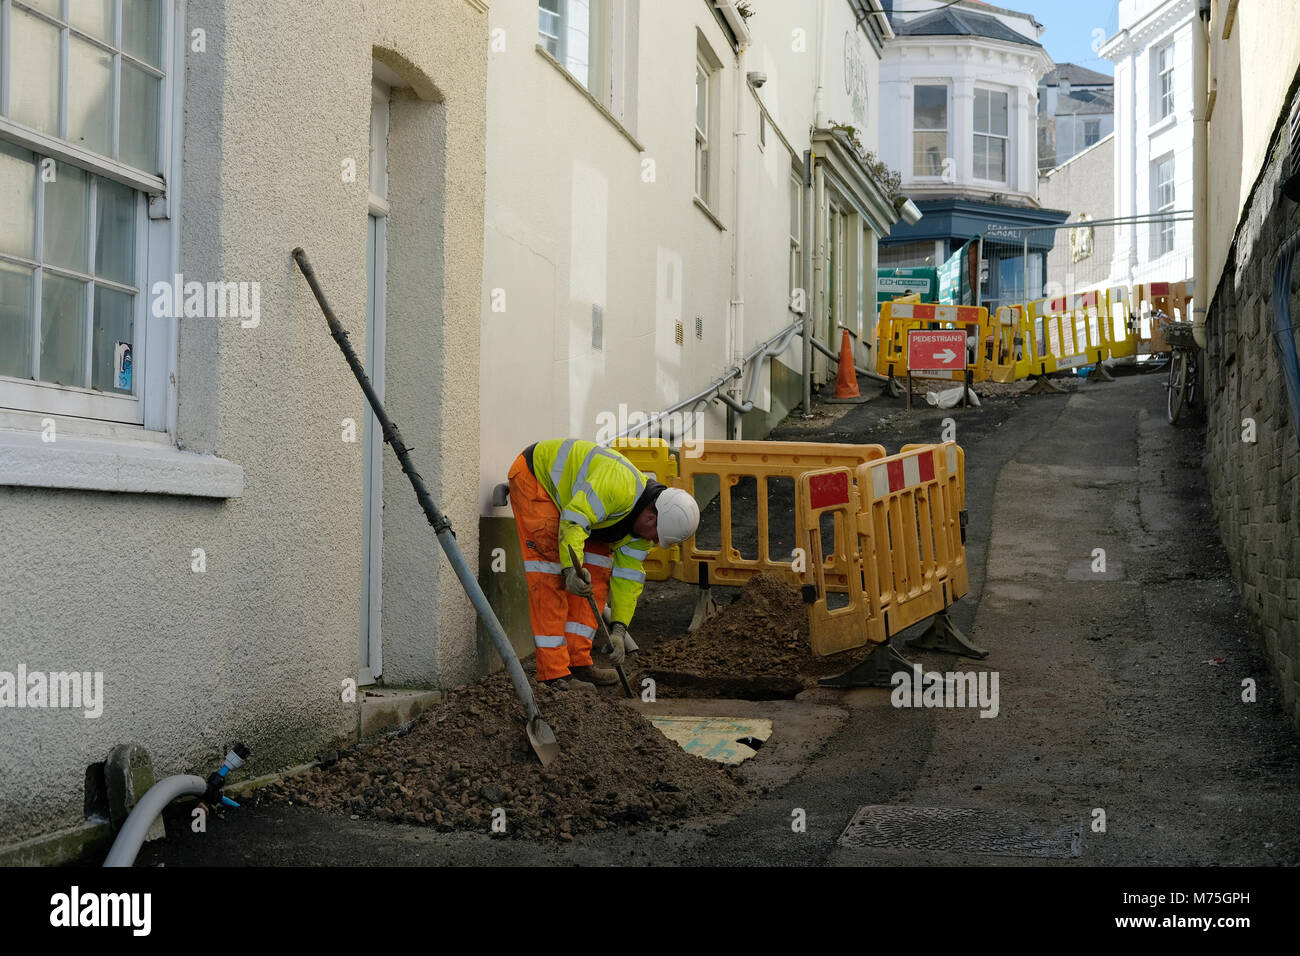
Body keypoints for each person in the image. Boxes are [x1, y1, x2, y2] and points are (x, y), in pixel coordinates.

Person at [507, 439, 700, 686]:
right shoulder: (618, 487)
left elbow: (627, 580)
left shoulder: (642, 529)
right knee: (550, 574)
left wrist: (619, 629)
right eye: (655, 536)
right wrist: (569, 571)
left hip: (578, 510)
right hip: (537, 480)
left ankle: (578, 662)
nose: (652, 542)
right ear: (652, 518)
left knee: (598, 573)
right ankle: (554, 674)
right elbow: (574, 519)